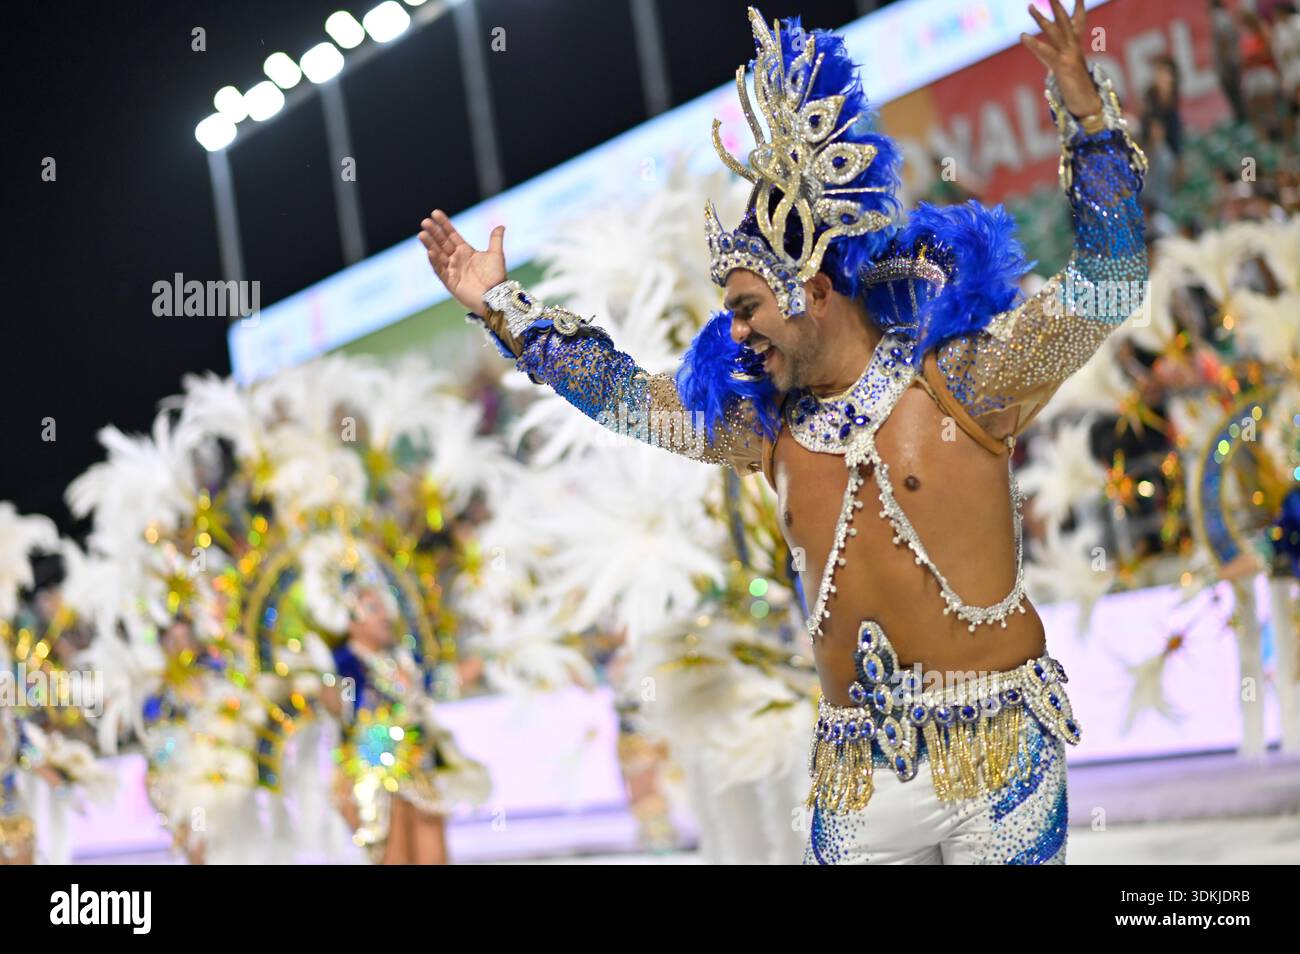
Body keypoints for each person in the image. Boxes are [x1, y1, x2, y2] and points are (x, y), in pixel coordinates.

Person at [420, 0, 1146, 864]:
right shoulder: (764, 431)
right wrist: (505, 308)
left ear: (812, 287)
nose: (734, 334)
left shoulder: (963, 381)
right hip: (857, 773)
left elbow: (1107, 282)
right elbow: (625, 397)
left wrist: (1091, 120)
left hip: (998, 759)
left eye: (745, 308)